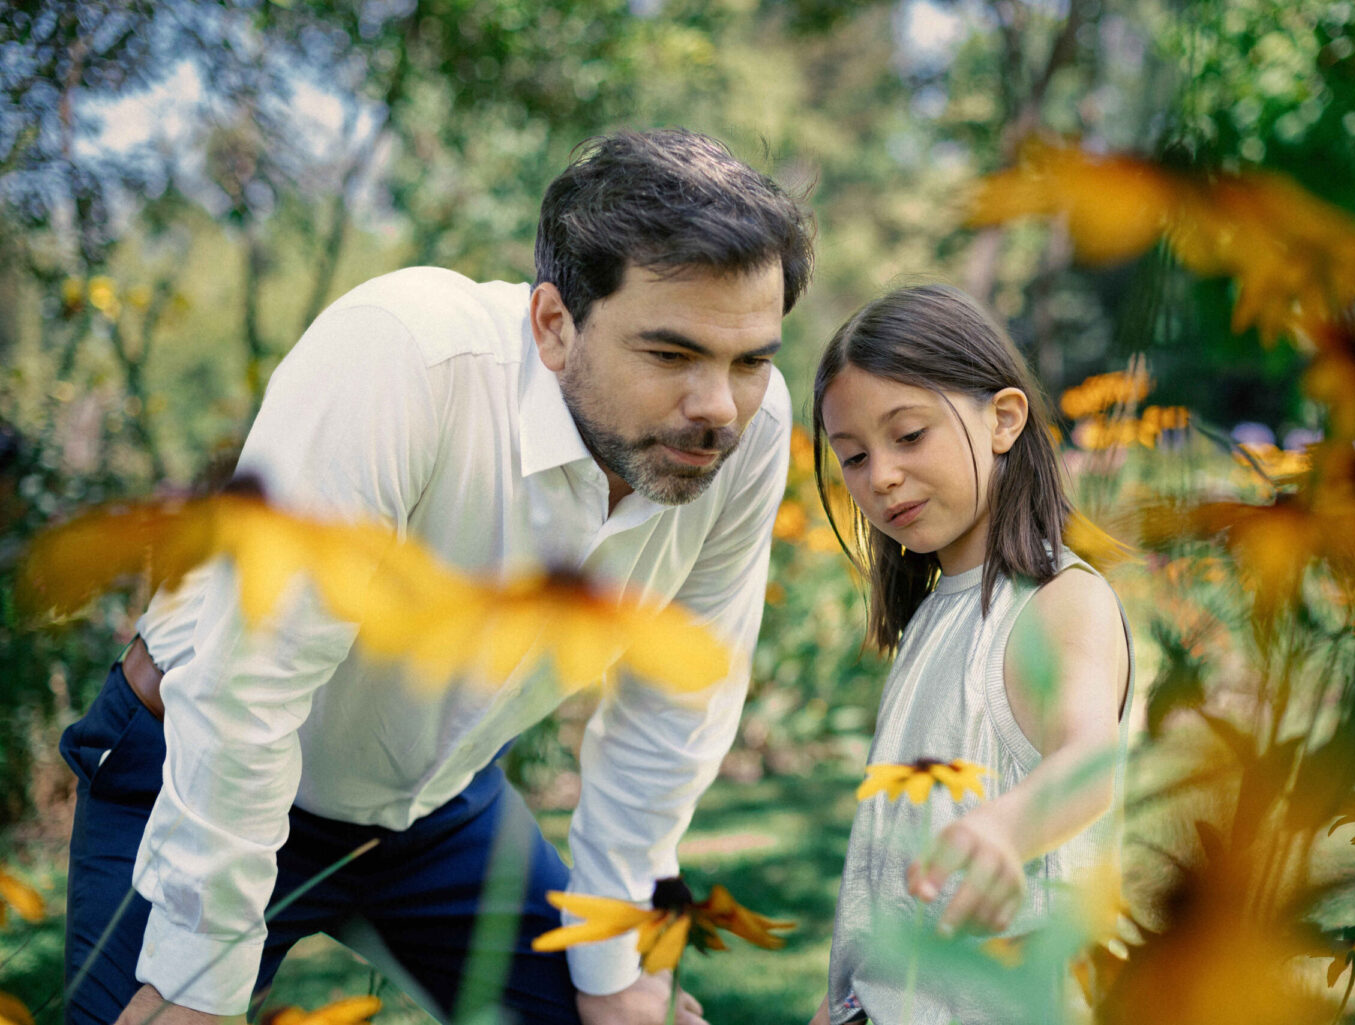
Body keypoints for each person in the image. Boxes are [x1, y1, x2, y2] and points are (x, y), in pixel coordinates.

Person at [59, 127, 813, 1025]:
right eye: (671, 355)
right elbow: (247, 680)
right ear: (553, 325)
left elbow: (678, 701)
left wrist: (615, 960)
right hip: (198, 757)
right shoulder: (405, 356)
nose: (718, 407)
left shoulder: (749, 435)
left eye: (751, 360)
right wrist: (196, 983)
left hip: (441, 810)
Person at [804, 284, 1133, 1024]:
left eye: (908, 435)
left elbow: (1086, 761)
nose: (880, 476)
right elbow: (882, 881)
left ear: (1003, 419)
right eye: (853, 456)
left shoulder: (1060, 599)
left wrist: (1004, 828)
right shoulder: (935, 614)